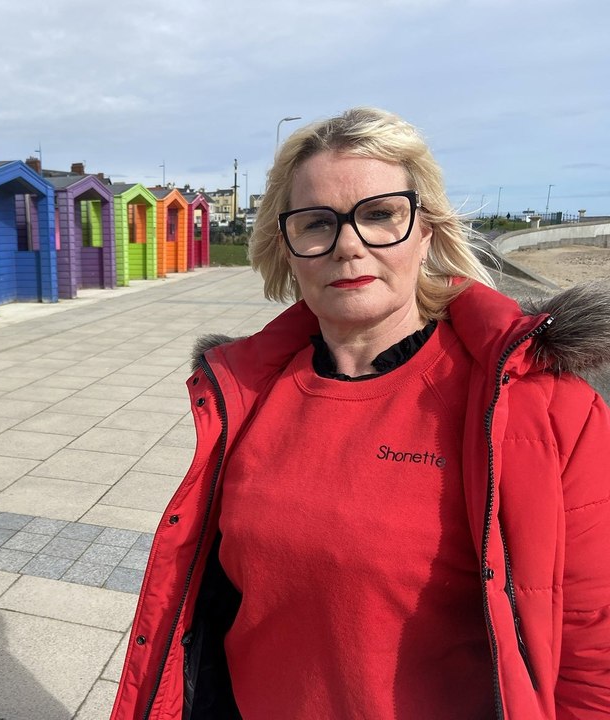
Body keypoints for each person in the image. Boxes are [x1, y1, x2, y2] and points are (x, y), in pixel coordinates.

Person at [110, 107, 610, 719]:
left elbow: (593, 649)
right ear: (286, 247)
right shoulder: (244, 394)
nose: (348, 245)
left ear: (426, 230)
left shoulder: (545, 407)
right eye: (317, 223)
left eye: (379, 215)